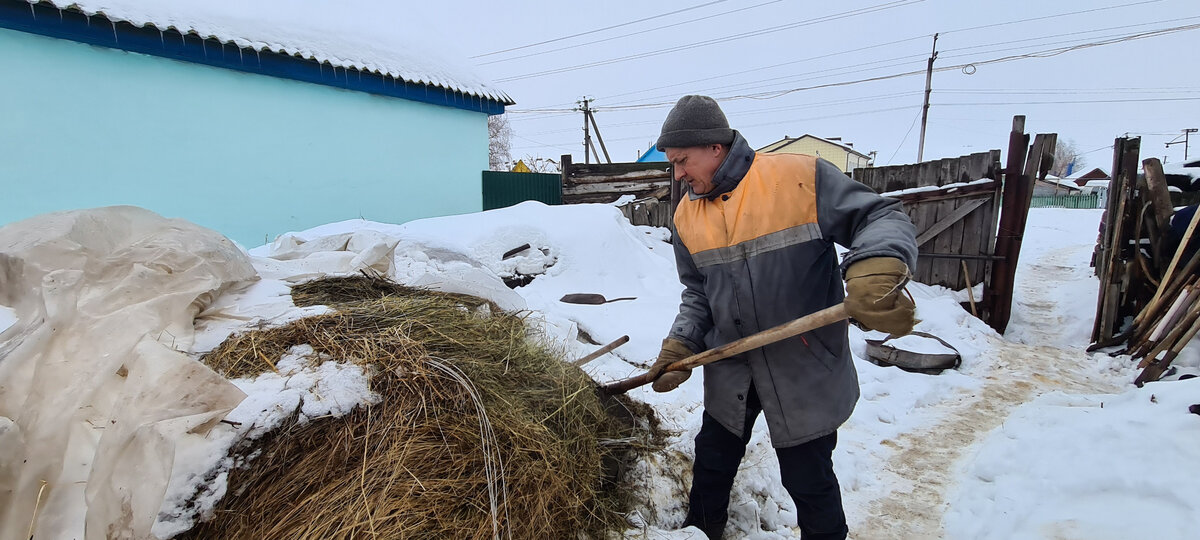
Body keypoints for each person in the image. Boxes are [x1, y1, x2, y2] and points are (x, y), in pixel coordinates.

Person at [646, 95, 918, 540]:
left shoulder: (798, 177)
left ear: (715, 147)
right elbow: (698, 292)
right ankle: (699, 532)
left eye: (681, 161)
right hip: (732, 367)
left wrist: (878, 262)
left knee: (808, 479)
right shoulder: (686, 215)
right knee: (712, 463)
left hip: (802, 363)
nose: (677, 175)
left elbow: (879, 215)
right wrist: (681, 342)